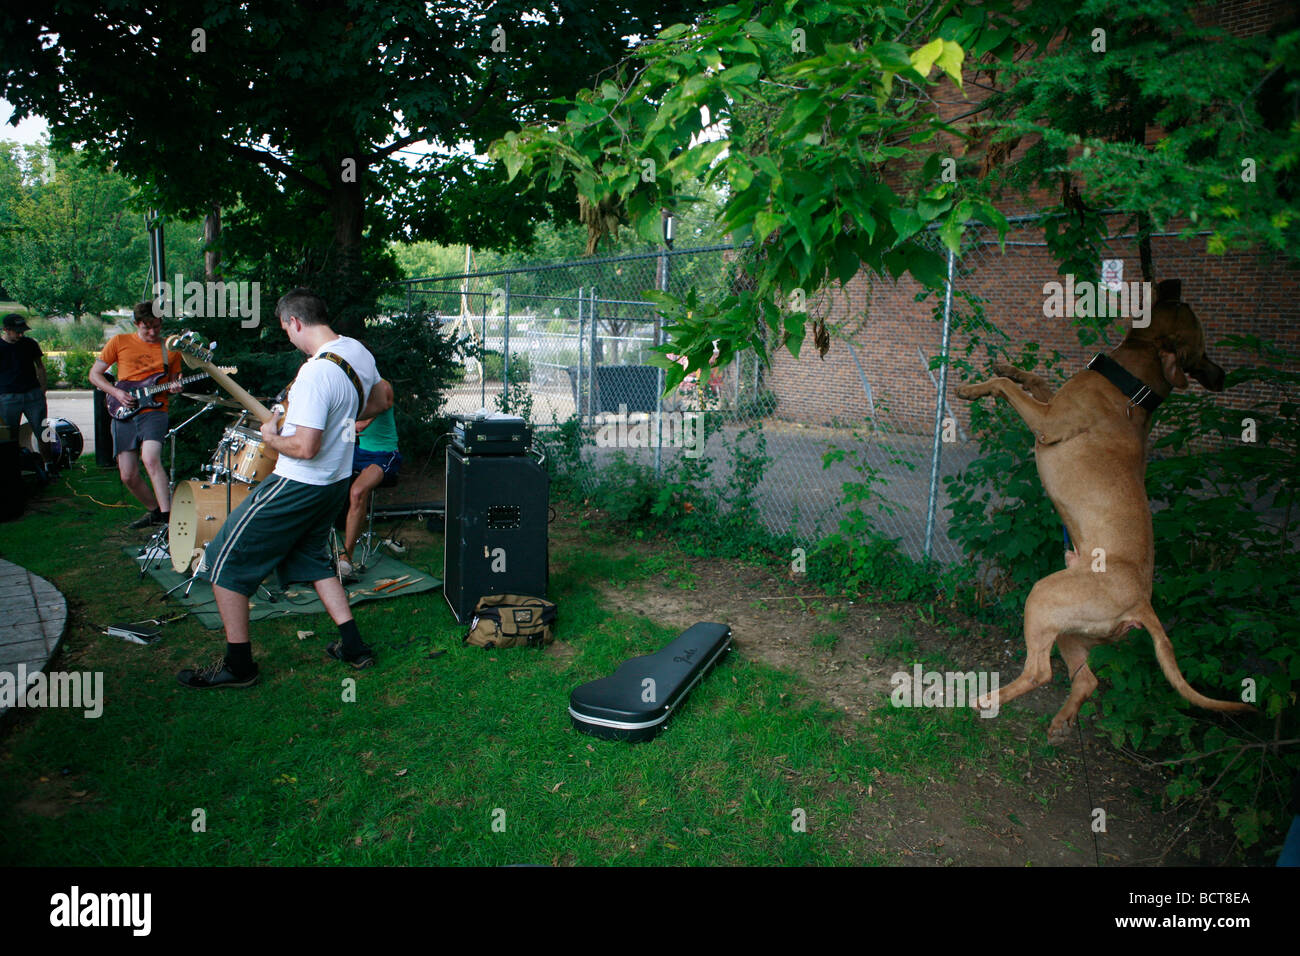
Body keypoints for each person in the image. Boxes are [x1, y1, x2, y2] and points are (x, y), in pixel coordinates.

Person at [177, 288, 383, 689]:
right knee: (312, 558)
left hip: (298, 483)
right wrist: (335, 417)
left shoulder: (314, 373)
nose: (287, 335)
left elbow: (304, 448)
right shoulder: (357, 351)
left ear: (295, 322)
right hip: (335, 482)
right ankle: (354, 646)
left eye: (285, 328)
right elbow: (379, 400)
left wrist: (272, 436)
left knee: (222, 561)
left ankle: (240, 667)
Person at [88, 303, 183, 528]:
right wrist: (116, 392)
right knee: (127, 475)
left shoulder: (170, 349)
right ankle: (156, 512)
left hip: (155, 410)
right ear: (136, 324)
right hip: (123, 410)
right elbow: (95, 374)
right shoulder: (119, 342)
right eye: (147, 328)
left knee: (150, 458)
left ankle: (169, 520)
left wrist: (176, 386)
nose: (152, 333)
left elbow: (175, 381)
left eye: (157, 327)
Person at [338, 379, 399, 579]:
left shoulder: (383, 387)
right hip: (358, 451)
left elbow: (360, 425)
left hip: (383, 454)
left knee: (357, 491)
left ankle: (346, 558)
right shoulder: (349, 388)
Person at [0, 313, 55, 472]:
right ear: (6, 330)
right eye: (17, 331)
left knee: (43, 431)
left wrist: (42, 389)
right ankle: (13, 470)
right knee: (10, 436)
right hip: (8, 397)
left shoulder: (29, 344)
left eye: (22, 331)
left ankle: (49, 466)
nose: (20, 334)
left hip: (33, 394)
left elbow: (40, 367)